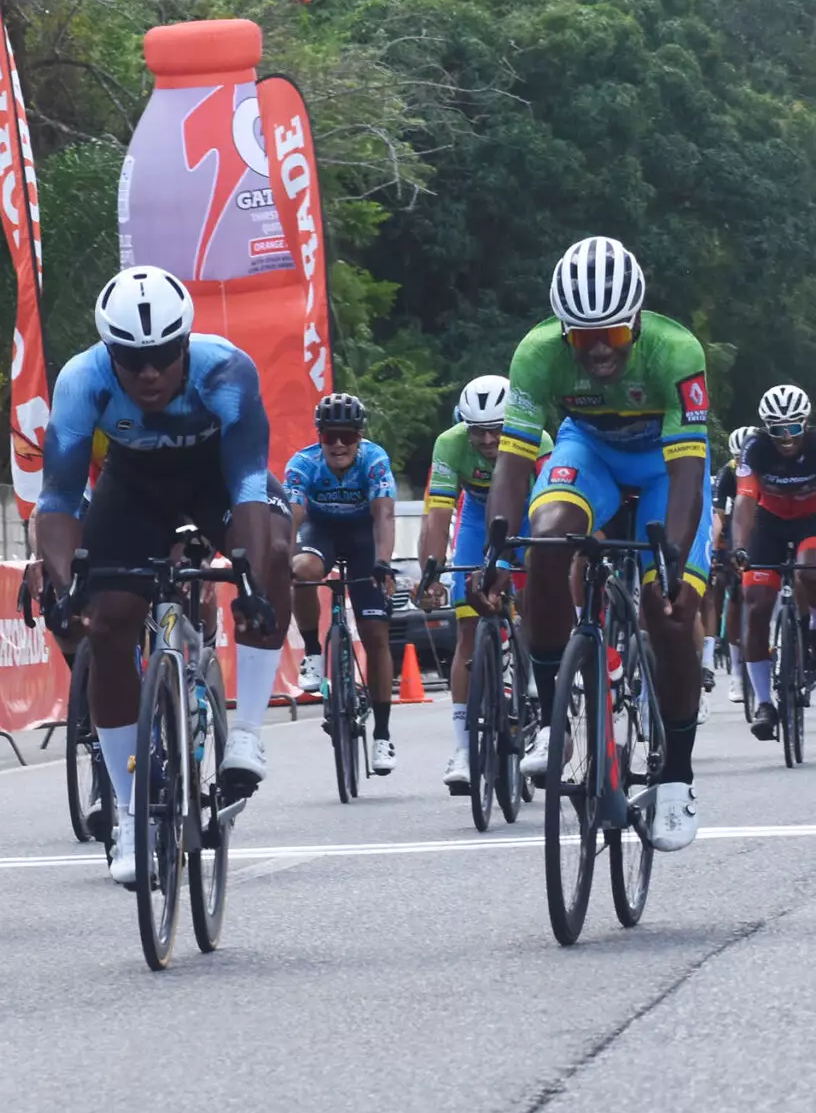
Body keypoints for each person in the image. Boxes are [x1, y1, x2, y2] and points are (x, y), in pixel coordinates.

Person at [33, 266, 290, 889]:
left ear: (184, 346)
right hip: (134, 487)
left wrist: (249, 576)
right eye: (131, 359)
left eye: (161, 357)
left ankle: (247, 734)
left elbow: (251, 482)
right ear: (109, 351)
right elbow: (60, 499)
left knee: (278, 552)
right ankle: (128, 812)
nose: (148, 374)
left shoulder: (225, 370)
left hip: (216, 477)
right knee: (108, 623)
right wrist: (69, 587)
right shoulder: (82, 380)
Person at [479, 236, 711, 853]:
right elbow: (513, 459)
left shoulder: (677, 350)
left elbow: (688, 470)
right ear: (564, 333)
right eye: (583, 338)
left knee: (671, 612)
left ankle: (678, 776)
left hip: (666, 466)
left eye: (614, 334)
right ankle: (558, 705)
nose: (601, 348)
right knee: (546, 543)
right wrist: (499, 555)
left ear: (636, 321)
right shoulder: (535, 354)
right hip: (591, 452)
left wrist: (672, 564)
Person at [417, 376, 548, 790]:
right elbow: (436, 515)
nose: (489, 439)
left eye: (497, 429)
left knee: (536, 589)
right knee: (468, 628)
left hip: (529, 512)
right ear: (464, 426)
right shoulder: (449, 444)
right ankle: (462, 747)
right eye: (478, 430)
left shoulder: (537, 439)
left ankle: (534, 674)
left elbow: (550, 506)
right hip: (476, 516)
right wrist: (431, 575)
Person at [284, 392, 401, 772]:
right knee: (300, 571)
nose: (338, 444)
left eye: (347, 437)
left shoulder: (374, 460)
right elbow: (294, 516)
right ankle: (314, 652)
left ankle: (382, 735)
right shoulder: (303, 463)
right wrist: (283, 558)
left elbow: (384, 516)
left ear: (359, 437)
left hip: (364, 536)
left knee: (375, 633)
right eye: (330, 435)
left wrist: (383, 563)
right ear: (319, 436)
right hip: (322, 533)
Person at [735, 384, 816, 739]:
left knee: (809, 567)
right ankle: (765, 702)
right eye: (776, 428)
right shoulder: (754, 450)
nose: (786, 437)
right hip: (767, 523)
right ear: (765, 428)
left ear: (806, 423)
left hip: (810, 520)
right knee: (756, 606)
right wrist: (739, 547)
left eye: (794, 428)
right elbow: (744, 502)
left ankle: (811, 630)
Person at [712, 424, 752, 694]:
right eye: (738, 458)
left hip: (766, 530)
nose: (742, 464)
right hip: (733, 534)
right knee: (731, 590)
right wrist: (717, 553)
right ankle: (737, 673)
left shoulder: (765, 464)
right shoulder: (728, 473)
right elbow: (718, 517)